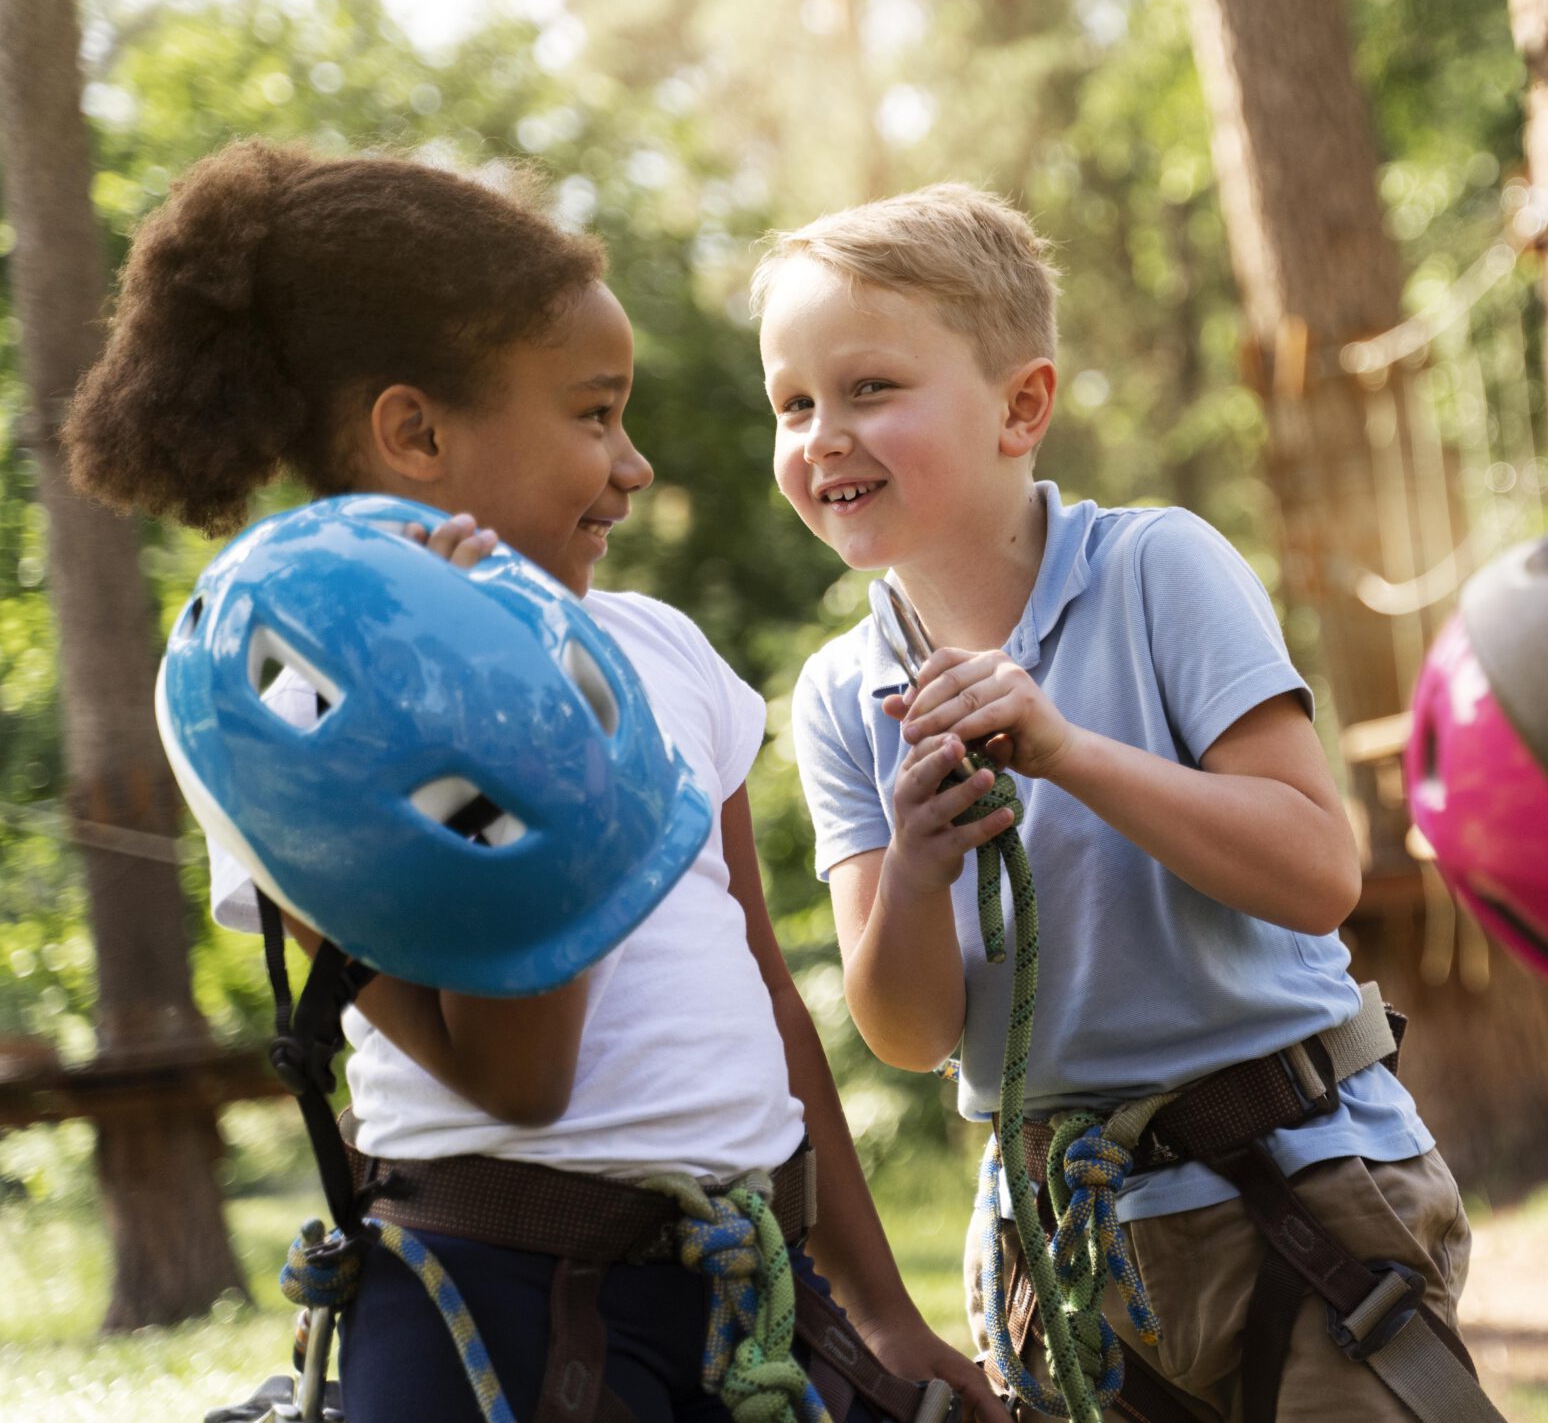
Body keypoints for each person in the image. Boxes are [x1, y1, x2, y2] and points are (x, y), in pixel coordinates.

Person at [64, 140, 1001, 1423]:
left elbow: (768, 1003)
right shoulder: (276, 724)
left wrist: (882, 1313)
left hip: (744, 1301)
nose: (635, 464)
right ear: (417, 434)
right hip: (494, 1316)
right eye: (592, 412)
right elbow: (521, 1080)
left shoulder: (663, 652)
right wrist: (500, 702)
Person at [763, 185, 1484, 1423]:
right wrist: (922, 872)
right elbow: (908, 1028)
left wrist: (1065, 750)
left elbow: (1318, 870)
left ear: (1021, 405)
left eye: (870, 389)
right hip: (1067, 1254)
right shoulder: (841, 695)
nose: (823, 434)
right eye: (793, 403)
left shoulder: (1157, 570)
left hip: (1303, 1191)